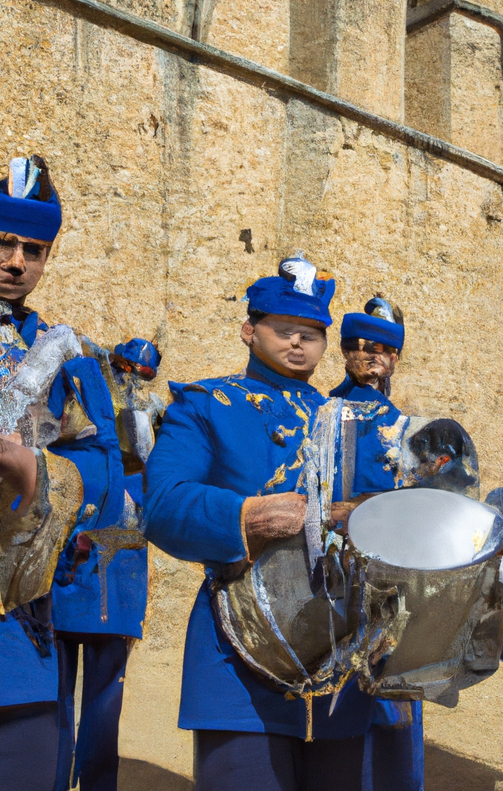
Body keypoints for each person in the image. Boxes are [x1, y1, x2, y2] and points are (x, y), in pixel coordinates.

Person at [142, 257, 395, 791]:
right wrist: (246, 517)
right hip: (236, 653)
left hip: (339, 657)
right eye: (284, 330)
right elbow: (163, 503)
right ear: (248, 330)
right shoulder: (207, 405)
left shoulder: (350, 421)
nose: (299, 343)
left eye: (312, 334)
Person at [0, 156, 125, 791]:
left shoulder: (69, 360)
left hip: (13, 643)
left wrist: (22, 463)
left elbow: (103, 481)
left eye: (35, 249)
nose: (17, 262)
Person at [52, 338, 163, 791]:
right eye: (124, 366)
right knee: (55, 700)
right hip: (68, 570)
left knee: (104, 701)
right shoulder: (75, 414)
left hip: (122, 576)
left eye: (142, 372)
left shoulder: (155, 418)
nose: (131, 376)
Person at [329, 298, 426, 791]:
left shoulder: (406, 425)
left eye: (382, 349)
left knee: (394, 700)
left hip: (392, 579)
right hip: (338, 575)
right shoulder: (327, 412)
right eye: (359, 348)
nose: (370, 359)